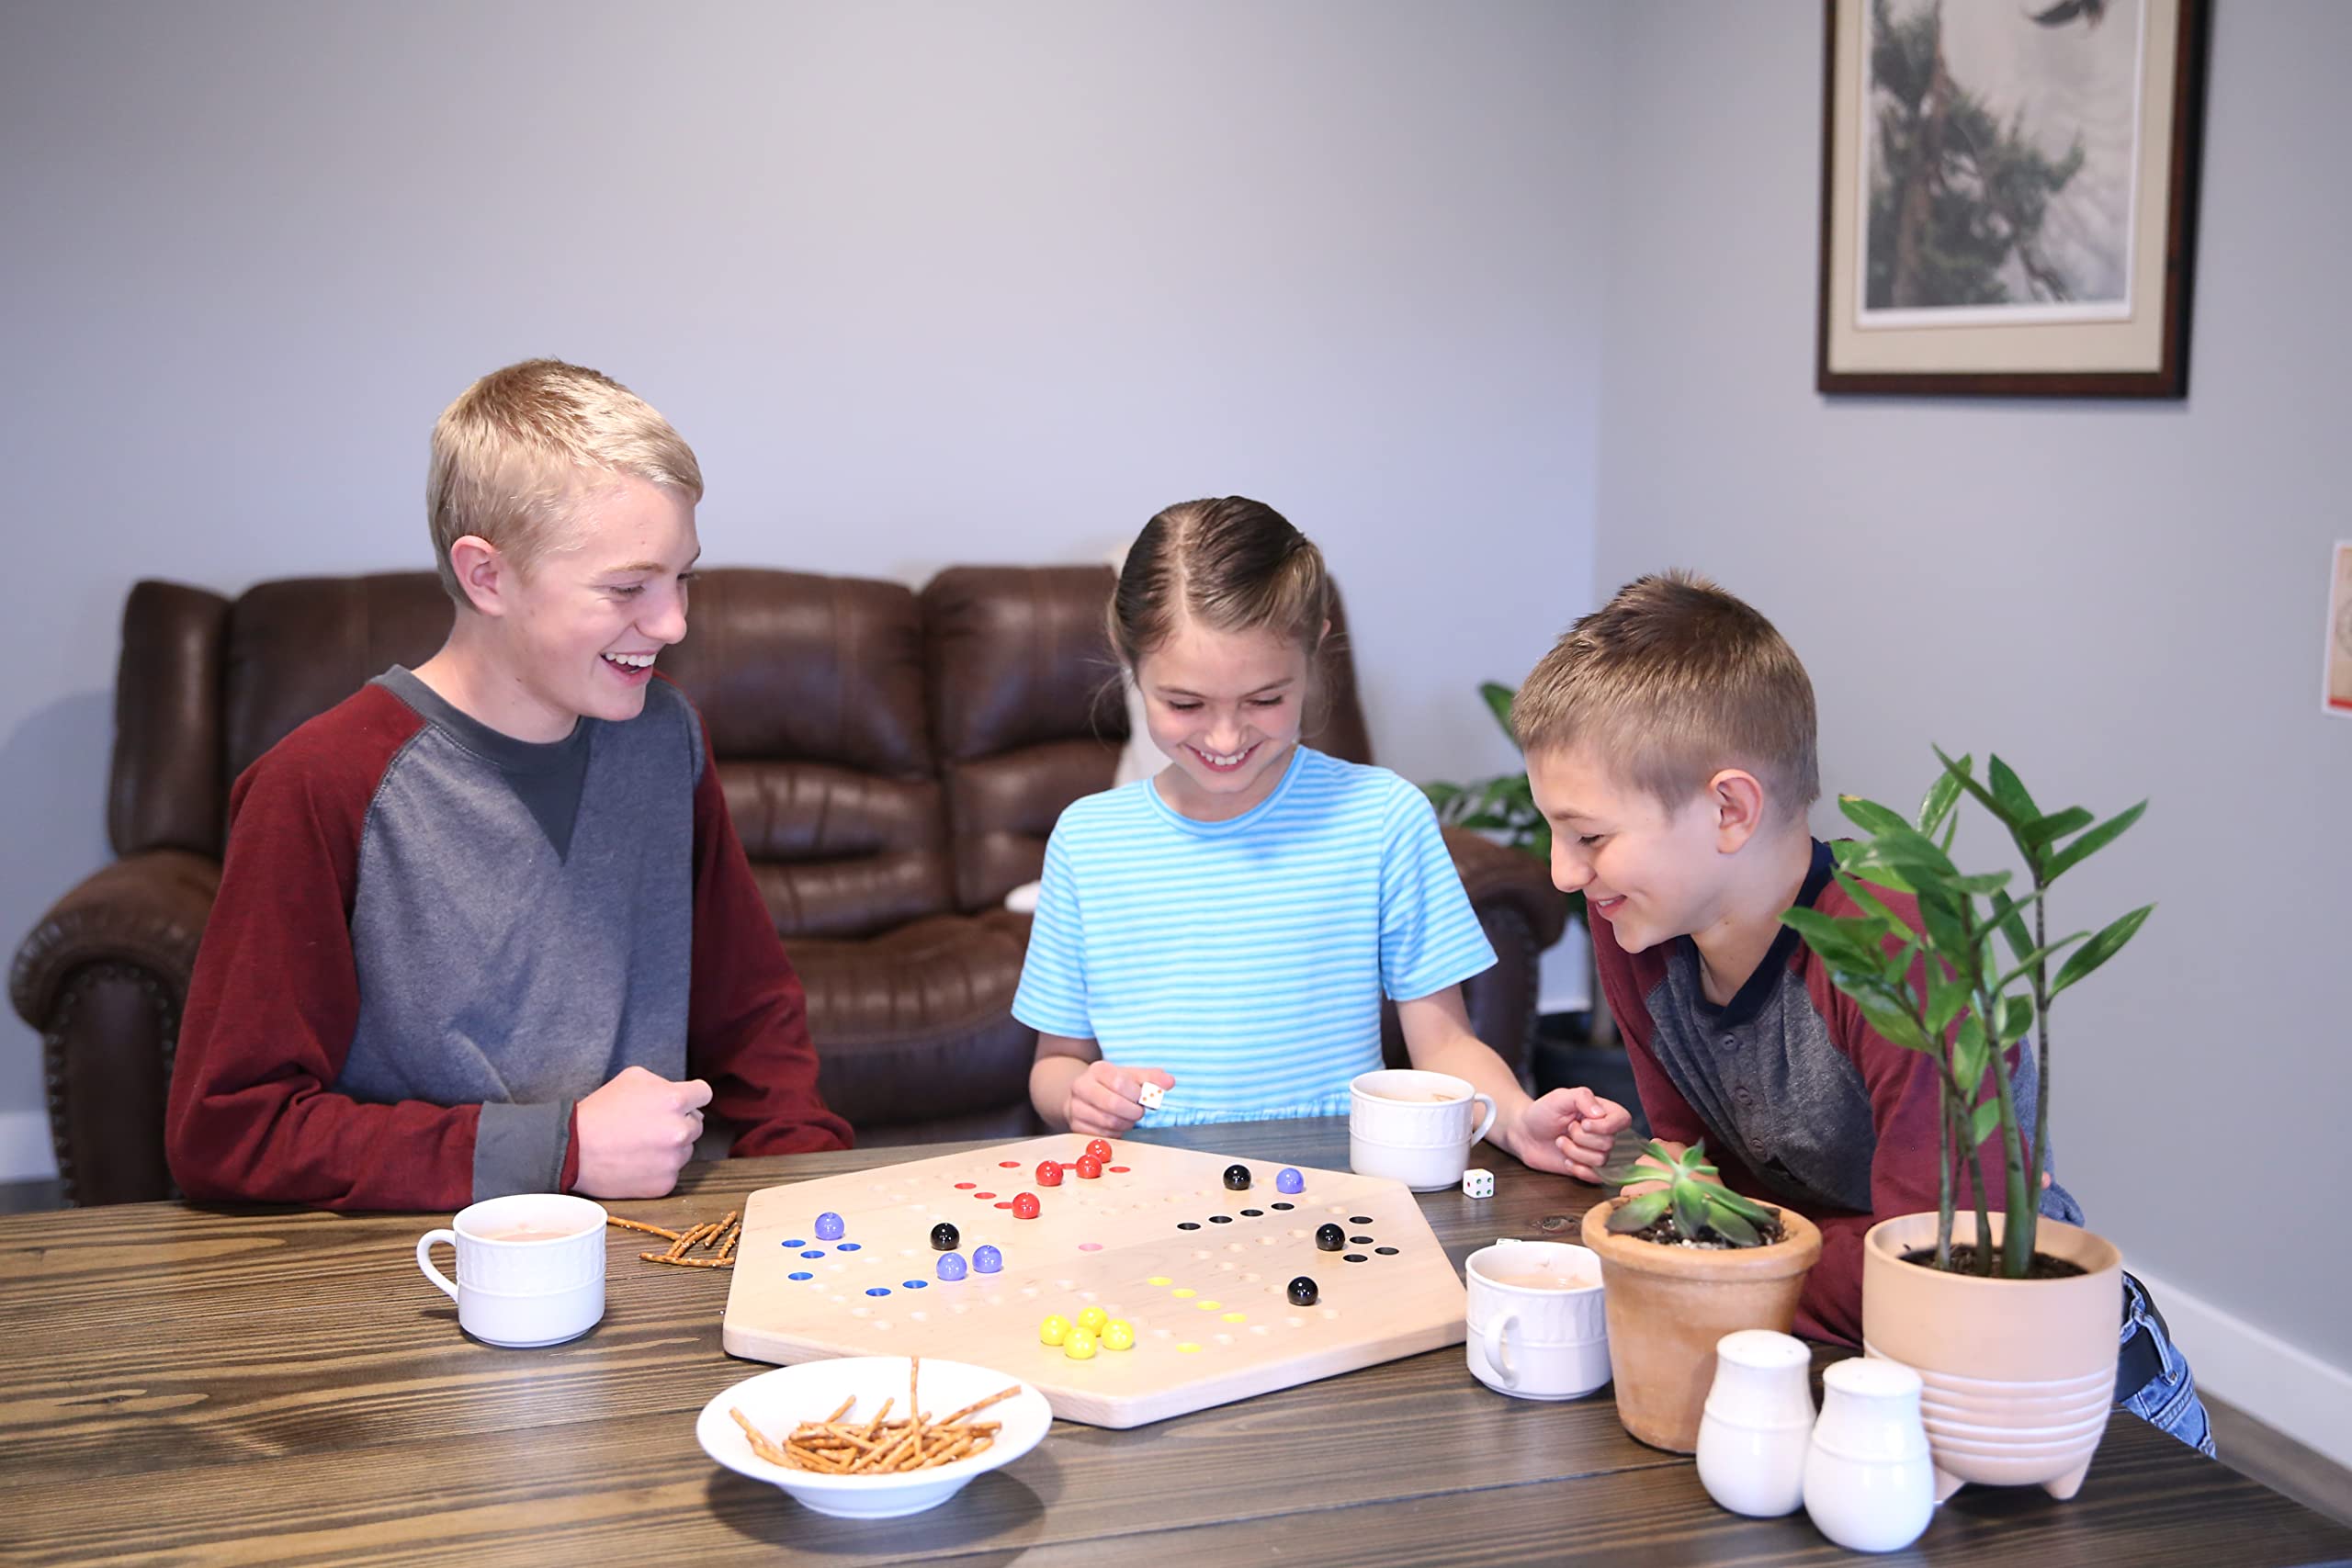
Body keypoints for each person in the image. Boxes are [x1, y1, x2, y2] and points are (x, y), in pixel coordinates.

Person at [1512, 569, 2211, 1452]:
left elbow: (1942, 1268)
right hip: (1839, 1369)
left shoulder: (1899, 947)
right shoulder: (1634, 922)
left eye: (1589, 836)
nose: (1563, 872)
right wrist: (1712, 1214)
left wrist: (1728, 1245)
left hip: (2055, 1394)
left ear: (1730, 808)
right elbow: (1699, 1177)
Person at [165, 358, 851, 1211]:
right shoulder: (319, 784)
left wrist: (809, 1194)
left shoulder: (664, 735)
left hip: (643, 1242)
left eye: (684, 578)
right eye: (629, 587)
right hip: (416, 1259)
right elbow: (231, 1131)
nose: (673, 622)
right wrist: (557, 1151)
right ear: (487, 575)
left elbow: (752, 1016)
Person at [1012, 495, 1630, 1182]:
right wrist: (1079, 1093)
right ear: (1131, 667)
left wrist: (1517, 1121)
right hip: (1149, 1196)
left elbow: (1446, 1045)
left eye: (1265, 699)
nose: (1224, 738)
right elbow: (1053, 1063)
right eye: (1185, 703)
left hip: (1333, 1196)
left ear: (1315, 650)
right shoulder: (1088, 840)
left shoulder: (1382, 816)